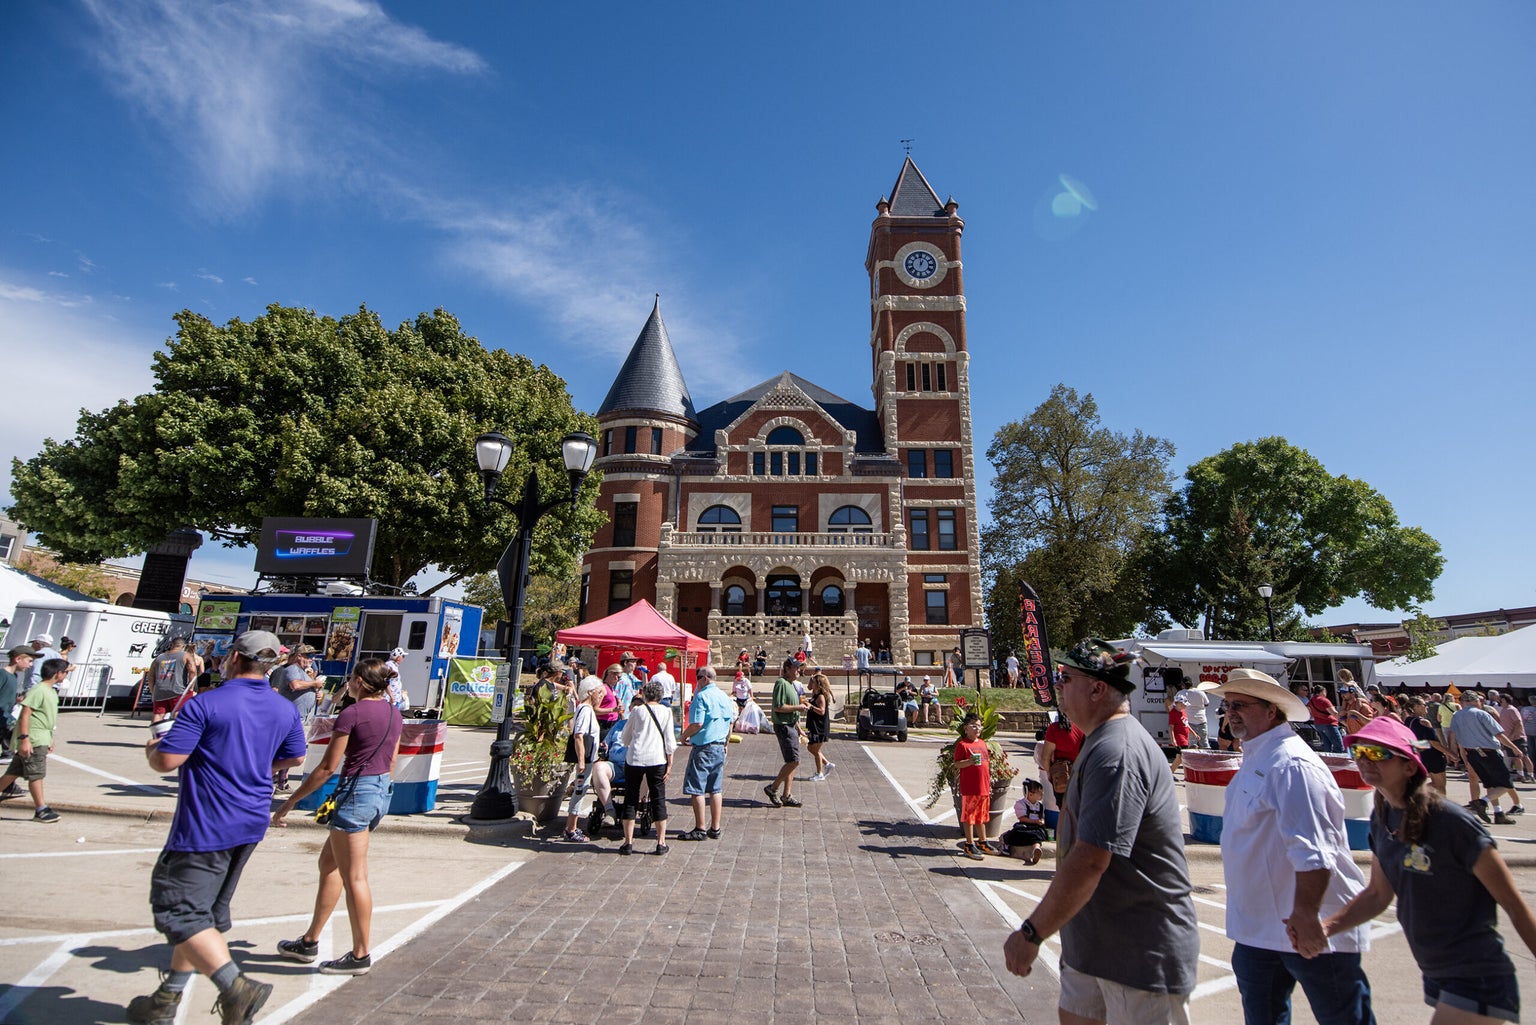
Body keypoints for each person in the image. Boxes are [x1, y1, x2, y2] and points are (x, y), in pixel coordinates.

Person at [1003, 639, 1199, 1020]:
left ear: (1097, 688)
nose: (1058, 686)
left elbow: (1092, 858)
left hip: (1138, 956)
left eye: (1066, 678)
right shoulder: (1099, 743)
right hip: (1094, 948)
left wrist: (1031, 933)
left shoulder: (1117, 753)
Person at [127, 631, 306, 1025]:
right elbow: (294, 757)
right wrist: (254, 765)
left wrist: (153, 750)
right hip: (252, 819)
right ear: (271, 664)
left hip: (206, 824)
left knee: (180, 913)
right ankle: (165, 999)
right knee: (203, 915)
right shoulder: (283, 709)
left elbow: (169, 761)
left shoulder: (205, 704)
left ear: (235, 660)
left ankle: (235, 988)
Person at [1323, 716, 1536, 1025]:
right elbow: (1378, 895)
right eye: (1360, 752)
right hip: (1437, 973)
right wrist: (1325, 928)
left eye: (1378, 753)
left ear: (1409, 765)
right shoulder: (1383, 818)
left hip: (1476, 974)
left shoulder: (1451, 822)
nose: (1365, 760)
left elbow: (1514, 905)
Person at [1212, 667, 1373, 1025]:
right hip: (1260, 931)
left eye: (1240, 704)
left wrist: (1307, 915)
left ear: (1272, 710)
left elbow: (1314, 850)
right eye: (1227, 704)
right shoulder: (1259, 755)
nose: (1230, 712)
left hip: (1307, 927)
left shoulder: (1292, 764)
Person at [272, 657, 404, 976]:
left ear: (359, 681)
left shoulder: (352, 713)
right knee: (328, 864)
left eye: (351, 678)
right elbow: (391, 761)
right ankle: (310, 940)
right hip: (376, 793)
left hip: (354, 793)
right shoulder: (393, 712)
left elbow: (327, 767)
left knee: (354, 877)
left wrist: (289, 802)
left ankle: (360, 955)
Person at [0, 656, 68, 822]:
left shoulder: (50, 691)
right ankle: (41, 809)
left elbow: (46, 718)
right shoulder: (39, 690)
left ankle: (41, 808)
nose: (66, 675)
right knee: (36, 774)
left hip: (41, 737)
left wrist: (50, 738)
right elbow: (25, 715)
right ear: (58, 674)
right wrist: (24, 739)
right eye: (65, 672)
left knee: (13, 773)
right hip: (34, 739)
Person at [1447, 689, 1526, 825]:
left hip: (1472, 753)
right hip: (1488, 752)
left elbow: (1452, 735)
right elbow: (1499, 734)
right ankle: (1482, 802)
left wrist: (1452, 752)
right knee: (1506, 784)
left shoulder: (1457, 715)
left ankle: (1498, 812)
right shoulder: (1481, 714)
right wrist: (1514, 748)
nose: (1480, 702)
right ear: (1473, 701)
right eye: (1478, 700)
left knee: (1490, 784)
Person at [678, 666, 735, 840]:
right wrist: (726, 743)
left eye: (697, 677)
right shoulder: (724, 697)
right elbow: (730, 722)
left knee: (697, 788)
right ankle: (715, 827)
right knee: (715, 789)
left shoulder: (701, 697)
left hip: (704, 747)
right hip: (719, 746)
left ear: (705, 678)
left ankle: (700, 827)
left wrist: (684, 736)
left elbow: (697, 724)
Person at [619, 680, 676, 855]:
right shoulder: (666, 712)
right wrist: (670, 763)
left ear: (645, 694)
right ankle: (661, 842)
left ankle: (628, 842)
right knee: (658, 798)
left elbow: (625, 738)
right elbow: (669, 740)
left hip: (635, 758)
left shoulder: (637, 711)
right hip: (657, 759)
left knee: (630, 798)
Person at [271, 644, 323, 792]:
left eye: (312, 656)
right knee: (288, 752)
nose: (311, 659)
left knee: (289, 752)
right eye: (308, 656)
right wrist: (314, 683)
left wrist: (315, 692)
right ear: (299, 656)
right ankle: (271, 779)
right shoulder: (292, 669)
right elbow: (295, 685)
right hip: (289, 717)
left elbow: (304, 687)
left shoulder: (302, 671)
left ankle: (282, 782)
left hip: (297, 717)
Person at [560, 677, 605, 842]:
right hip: (585, 760)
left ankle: (572, 826)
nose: (601, 696)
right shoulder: (586, 710)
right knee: (580, 791)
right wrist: (581, 760)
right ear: (590, 692)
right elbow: (579, 735)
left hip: (588, 758)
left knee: (582, 789)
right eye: (599, 692)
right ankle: (571, 828)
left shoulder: (585, 709)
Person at [765, 657, 809, 808]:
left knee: (791, 762)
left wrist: (798, 728)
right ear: (787, 669)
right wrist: (798, 708)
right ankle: (773, 788)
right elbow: (779, 707)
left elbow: (791, 710)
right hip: (783, 726)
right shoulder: (781, 683)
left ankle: (787, 795)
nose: (799, 671)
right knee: (793, 761)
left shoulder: (792, 685)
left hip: (791, 725)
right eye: (796, 668)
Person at [953, 712, 992, 860]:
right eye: (973, 726)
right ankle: (969, 844)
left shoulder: (982, 743)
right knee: (969, 816)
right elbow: (956, 763)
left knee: (981, 816)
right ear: (966, 728)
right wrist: (968, 762)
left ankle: (983, 841)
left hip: (983, 786)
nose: (977, 729)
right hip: (970, 787)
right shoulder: (962, 745)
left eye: (979, 726)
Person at [1039, 708, 1084, 820]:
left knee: (1063, 810)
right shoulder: (1082, 728)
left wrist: (1049, 773)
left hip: (1060, 776)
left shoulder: (1054, 729)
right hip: (1078, 775)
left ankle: (1064, 835)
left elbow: (1045, 757)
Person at [1402, 695, 1451, 794]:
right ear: (1416, 706)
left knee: (1436, 784)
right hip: (1433, 756)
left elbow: (1413, 740)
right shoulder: (1424, 722)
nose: (1426, 707)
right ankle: (1440, 806)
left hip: (1422, 754)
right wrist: (1450, 753)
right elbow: (1434, 743)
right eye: (1424, 705)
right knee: (1440, 785)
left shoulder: (1408, 720)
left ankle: (1415, 792)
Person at [146, 637, 197, 723]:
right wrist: (191, 687)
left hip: (160, 690)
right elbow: (192, 671)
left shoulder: (159, 657)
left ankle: (157, 734)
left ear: (171, 645)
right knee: (178, 713)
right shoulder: (186, 655)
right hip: (178, 690)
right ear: (183, 646)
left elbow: (151, 676)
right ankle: (176, 734)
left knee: (158, 714)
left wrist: (153, 691)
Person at [1001, 779, 1049, 865]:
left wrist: (1041, 821)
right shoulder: (1021, 804)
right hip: (1025, 825)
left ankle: (1036, 849)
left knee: (1038, 834)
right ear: (1030, 794)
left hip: (1036, 826)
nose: (1042, 795)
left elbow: (1041, 817)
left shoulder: (1040, 806)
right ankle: (1006, 844)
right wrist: (1035, 821)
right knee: (1017, 831)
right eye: (1039, 793)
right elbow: (1022, 818)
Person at [0, 646, 34, 758]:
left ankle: (8, 754)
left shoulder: (14, 675)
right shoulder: (3, 675)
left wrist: (16, 700)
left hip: (5, 719)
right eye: (29, 661)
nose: (31, 665)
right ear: (18, 659)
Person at [1495, 693, 1535, 783]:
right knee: (1515, 758)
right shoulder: (1504, 710)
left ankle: (1531, 776)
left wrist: (1513, 736)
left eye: (1500, 699)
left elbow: (1518, 723)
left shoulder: (1512, 710)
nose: (1498, 701)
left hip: (1517, 738)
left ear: (1504, 700)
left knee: (1524, 756)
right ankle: (1520, 775)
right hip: (1508, 738)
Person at [805, 671, 835, 780]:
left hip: (820, 727)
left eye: (814, 682)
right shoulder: (815, 694)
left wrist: (811, 707)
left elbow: (822, 711)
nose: (812, 684)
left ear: (818, 684)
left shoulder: (821, 697)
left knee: (816, 750)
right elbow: (809, 688)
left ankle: (820, 773)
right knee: (810, 747)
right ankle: (827, 764)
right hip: (814, 725)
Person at [1309, 684, 1345, 753]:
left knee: (1327, 746)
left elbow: (1309, 711)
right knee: (1338, 746)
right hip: (1329, 724)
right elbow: (1334, 713)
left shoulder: (1311, 701)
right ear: (1323, 691)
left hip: (1318, 724)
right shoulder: (1324, 701)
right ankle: (1340, 762)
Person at [1176, 677, 1210, 749]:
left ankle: (1193, 758)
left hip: (1189, 721)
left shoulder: (1180, 693)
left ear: (1183, 685)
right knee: (1204, 742)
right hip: (1201, 720)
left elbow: (1176, 706)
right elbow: (1207, 704)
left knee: (1192, 743)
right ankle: (1206, 758)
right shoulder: (1200, 692)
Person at [1166, 690, 1191, 775]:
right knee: (1183, 757)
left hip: (1185, 737)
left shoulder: (1183, 712)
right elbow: (1171, 727)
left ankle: (1169, 772)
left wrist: (1194, 734)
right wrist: (1173, 739)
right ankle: (1186, 774)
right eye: (1184, 704)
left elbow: (1186, 724)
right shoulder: (1173, 713)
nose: (1185, 706)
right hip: (1179, 738)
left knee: (1179, 757)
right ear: (1179, 703)